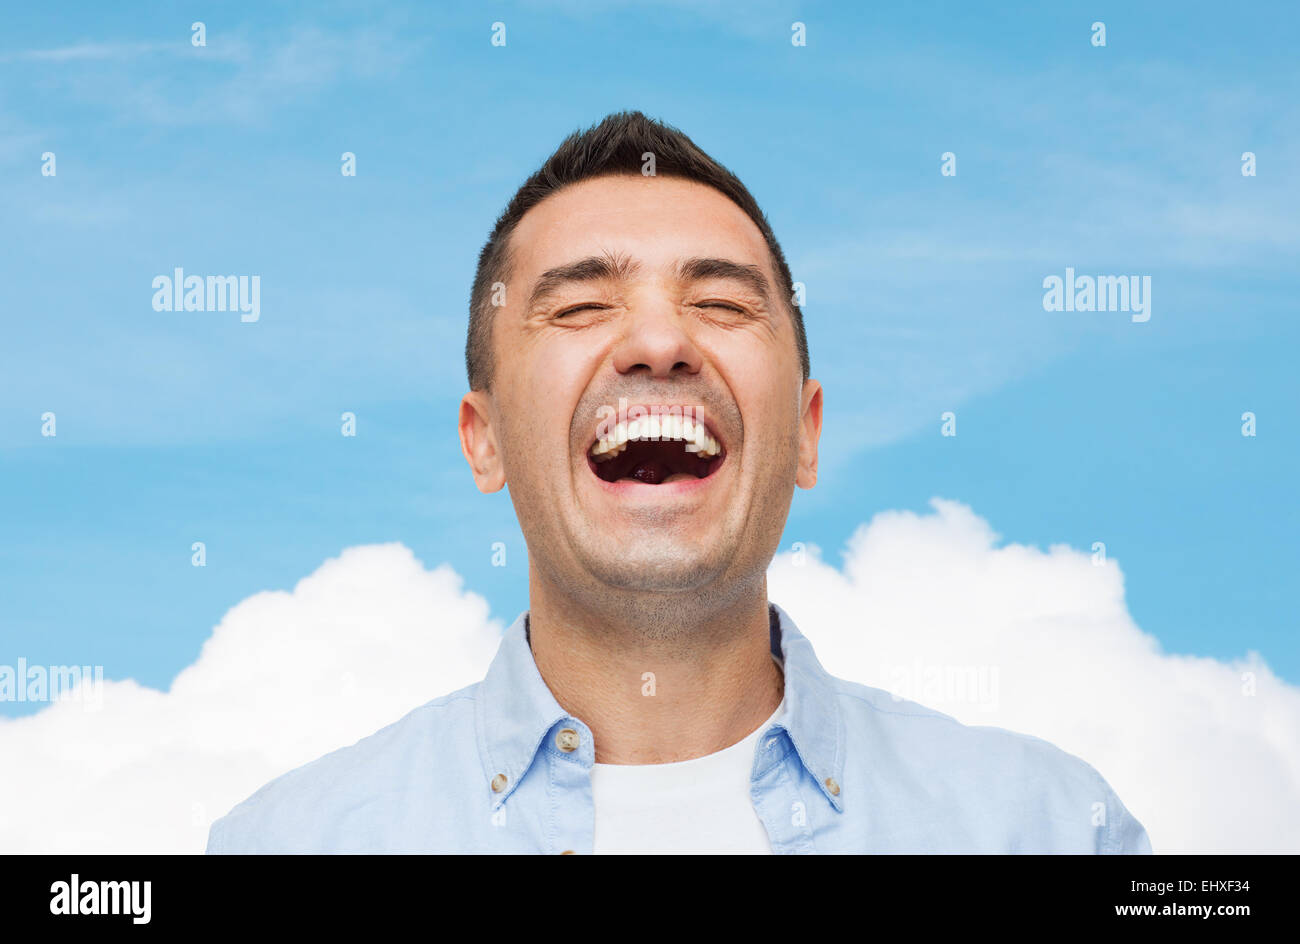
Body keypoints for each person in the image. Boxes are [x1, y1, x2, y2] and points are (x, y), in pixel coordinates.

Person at [206, 111, 1151, 854]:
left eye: (721, 303)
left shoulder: (1053, 831)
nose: (660, 343)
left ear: (806, 437)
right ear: (483, 441)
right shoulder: (289, 845)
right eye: (580, 305)